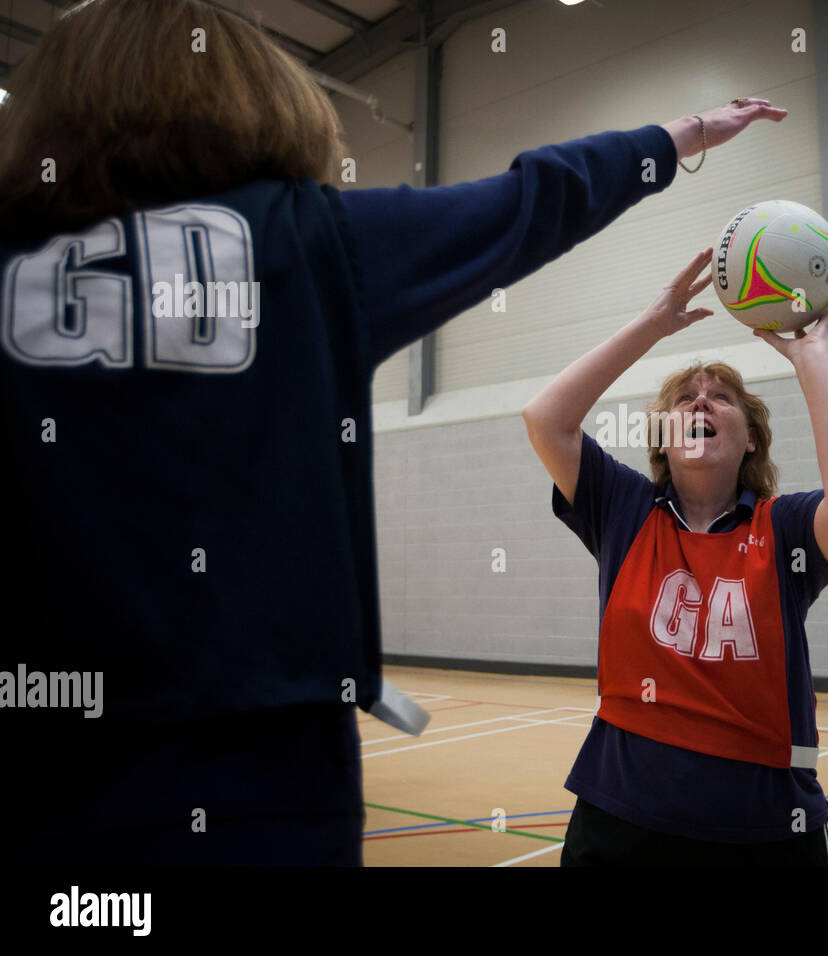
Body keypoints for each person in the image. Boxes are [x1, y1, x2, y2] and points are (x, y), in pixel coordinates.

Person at [0, 0, 785, 865]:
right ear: (250, 98)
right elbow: (532, 199)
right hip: (262, 791)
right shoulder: (305, 243)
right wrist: (683, 135)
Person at [522, 251, 828, 865]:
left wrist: (810, 357)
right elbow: (546, 418)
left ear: (750, 438)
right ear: (664, 435)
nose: (699, 403)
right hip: (620, 815)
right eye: (685, 399)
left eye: (720, 398)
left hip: (764, 822)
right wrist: (653, 324)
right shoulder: (625, 509)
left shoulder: (785, 528)